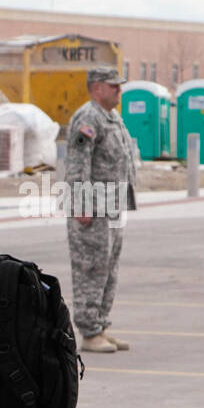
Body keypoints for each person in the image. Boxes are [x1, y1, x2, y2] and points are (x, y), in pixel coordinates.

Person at [66, 66, 137, 354]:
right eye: (113, 86)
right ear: (97, 88)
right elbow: (77, 164)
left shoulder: (112, 117)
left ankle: (101, 325)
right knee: (91, 268)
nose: (119, 90)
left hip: (113, 206)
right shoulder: (88, 117)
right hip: (93, 208)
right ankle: (89, 330)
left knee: (109, 268)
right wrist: (81, 204)